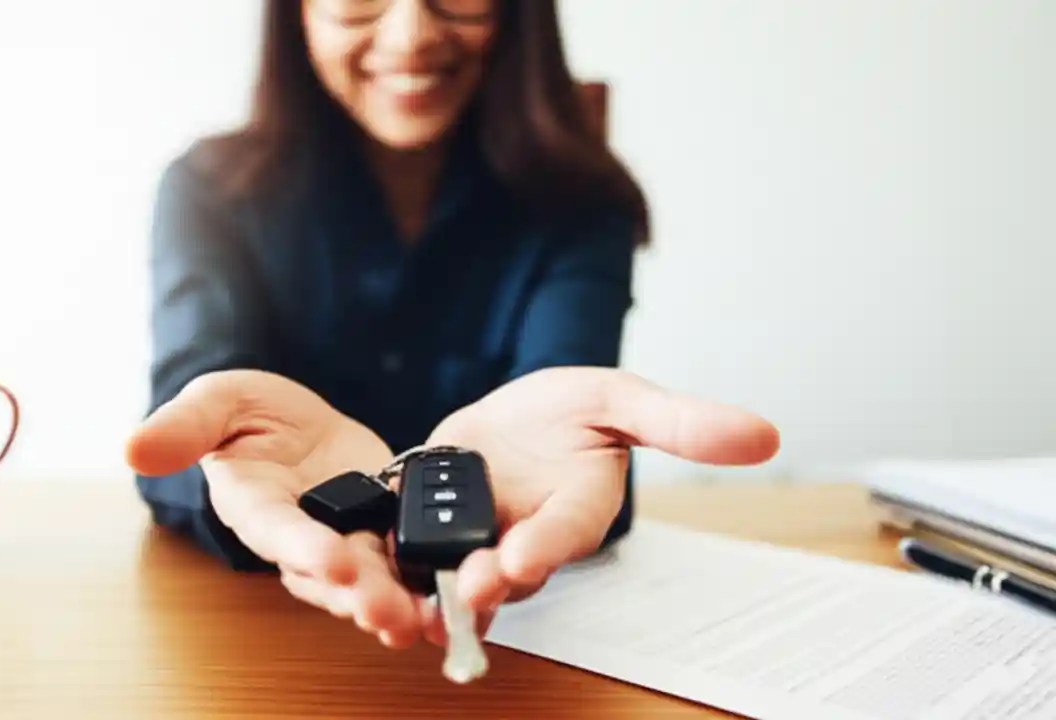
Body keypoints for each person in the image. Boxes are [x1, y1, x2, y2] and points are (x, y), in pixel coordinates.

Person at [126, 0, 779, 650]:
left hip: (524, 643)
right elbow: (182, 429)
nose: (411, 36)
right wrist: (228, 462)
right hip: (262, 634)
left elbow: (572, 412)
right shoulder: (207, 188)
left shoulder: (583, 198)